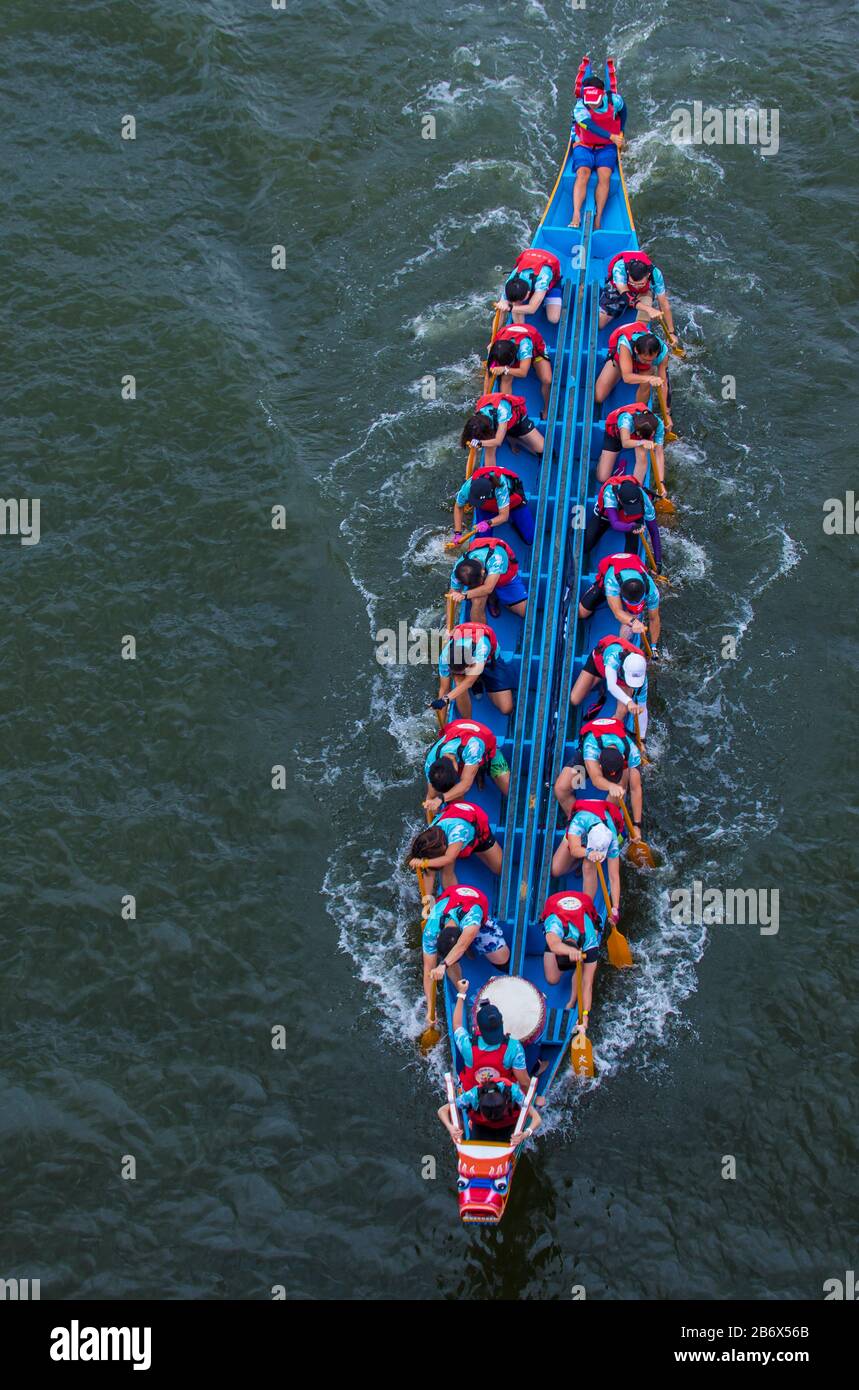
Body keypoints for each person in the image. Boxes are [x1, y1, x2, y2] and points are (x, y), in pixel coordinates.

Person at [437, 983, 541, 1143]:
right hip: (504, 1102)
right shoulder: (513, 1046)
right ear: (501, 1025)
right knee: (534, 1052)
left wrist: (461, 994)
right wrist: (528, 1102)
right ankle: (541, 1067)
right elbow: (525, 1082)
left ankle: (470, 1122)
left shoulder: (467, 1044)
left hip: (477, 1104)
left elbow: (457, 1025)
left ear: (478, 1027)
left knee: (460, 1067)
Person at [421, 886, 510, 1024]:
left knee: (503, 960)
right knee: (450, 960)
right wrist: (430, 1008)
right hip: (452, 916)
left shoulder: (472, 919)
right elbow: (428, 968)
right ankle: (461, 991)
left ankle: (466, 952)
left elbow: (461, 945)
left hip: (473, 909)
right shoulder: (430, 931)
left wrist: (443, 965)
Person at [554, 716, 644, 842]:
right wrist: (611, 786)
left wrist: (637, 825)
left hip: (618, 760)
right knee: (561, 788)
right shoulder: (591, 746)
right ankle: (579, 822)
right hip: (591, 755)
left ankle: (609, 827)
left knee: (619, 791)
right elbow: (596, 779)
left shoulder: (632, 751)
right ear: (600, 765)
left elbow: (635, 789)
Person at [569, 69, 627, 230]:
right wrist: (612, 136)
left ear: (602, 95)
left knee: (605, 176)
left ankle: (598, 217)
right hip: (584, 144)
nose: (592, 104)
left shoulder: (614, 100)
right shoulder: (581, 106)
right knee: (583, 173)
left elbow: (623, 111)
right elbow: (589, 125)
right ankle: (575, 213)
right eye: (589, 100)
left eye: (594, 100)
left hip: (606, 147)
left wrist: (620, 131)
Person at [408, 799, 502, 890]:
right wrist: (428, 899)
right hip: (452, 837)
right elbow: (429, 871)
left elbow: (449, 858)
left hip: (478, 836)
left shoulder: (458, 832)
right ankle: (453, 896)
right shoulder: (432, 833)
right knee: (446, 869)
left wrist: (424, 863)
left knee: (499, 869)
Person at [423, 716, 510, 813]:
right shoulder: (430, 763)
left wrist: (441, 799)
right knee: (452, 797)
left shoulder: (473, 747)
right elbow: (430, 796)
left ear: (457, 770)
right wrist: (434, 812)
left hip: (484, 748)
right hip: (461, 748)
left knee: (509, 790)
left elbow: (465, 784)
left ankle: (480, 769)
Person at [578, 551, 661, 652]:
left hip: (630, 581)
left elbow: (654, 619)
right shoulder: (612, 580)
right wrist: (634, 622)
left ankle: (623, 649)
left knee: (629, 626)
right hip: (611, 580)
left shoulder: (652, 591)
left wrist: (653, 647)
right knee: (582, 613)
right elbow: (617, 612)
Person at [570, 635, 650, 740]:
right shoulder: (613, 656)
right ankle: (598, 681)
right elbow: (612, 686)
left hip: (620, 680)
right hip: (600, 666)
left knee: (622, 712)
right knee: (574, 699)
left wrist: (642, 739)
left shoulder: (642, 680)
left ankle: (606, 738)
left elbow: (643, 709)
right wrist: (629, 701)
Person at [435, 620, 517, 719]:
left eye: (461, 672)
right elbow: (444, 689)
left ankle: (478, 679)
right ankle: (468, 722)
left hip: (489, 662)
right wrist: (441, 723)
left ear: (469, 664)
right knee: (459, 682)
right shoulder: (444, 657)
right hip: (469, 663)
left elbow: (469, 682)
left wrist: (445, 700)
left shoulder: (482, 646)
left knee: (506, 709)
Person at [541, 890, 602, 1021]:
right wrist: (569, 951)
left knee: (586, 973)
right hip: (557, 905)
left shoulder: (590, 941)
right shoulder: (554, 924)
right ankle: (575, 959)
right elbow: (554, 944)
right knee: (552, 979)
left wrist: (585, 1015)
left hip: (583, 915)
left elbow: (587, 984)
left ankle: (573, 997)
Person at [598, 250, 678, 346]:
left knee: (645, 307)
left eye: (640, 283)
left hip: (643, 293)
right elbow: (626, 296)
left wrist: (671, 332)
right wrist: (650, 310)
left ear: (648, 275)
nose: (636, 287)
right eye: (633, 283)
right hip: (621, 290)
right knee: (600, 324)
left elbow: (664, 304)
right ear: (628, 272)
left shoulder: (656, 274)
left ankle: (637, 336)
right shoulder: (620, 267)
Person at [550, 813, 621, 922]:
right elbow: (574, 850)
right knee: (556, 870)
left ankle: (587, 908)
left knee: (588, 866)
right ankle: (579, 861)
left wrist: (615, 908)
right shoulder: (579, 821)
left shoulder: (612, 840)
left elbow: (614, 876)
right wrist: (588, 853)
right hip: (578, 838)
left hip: (592, 845)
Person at [583, 474, 663, 567]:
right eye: (630, 508)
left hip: (631, 521)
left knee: (631, 557)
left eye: (634, 507)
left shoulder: (646, 502)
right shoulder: (610, 493)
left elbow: (654, 532)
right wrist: (632, 527)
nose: (631, 510)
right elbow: (615, 524)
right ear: (619, 499)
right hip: (607, 516)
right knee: (586, 546)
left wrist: (658, 560)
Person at [595, 322, 669, 418]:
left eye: (651, 360)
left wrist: (666, 413)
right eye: (644, 359)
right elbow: (627, 377)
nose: (646, 362)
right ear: (636, 351)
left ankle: (640, 412)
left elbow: (664, 383)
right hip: (621, 360)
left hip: (644, 370)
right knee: (599, 397)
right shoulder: (625, 344)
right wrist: (650, 378)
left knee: (646, 383)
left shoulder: (663, 353)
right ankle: (627, 370)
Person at [447, 539, 527, 624]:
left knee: (524, 611)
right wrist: (449, 627)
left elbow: (488, 588)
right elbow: (451, 595)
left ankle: (497, 596)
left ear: (483, 572)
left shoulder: (496, 558)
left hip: (504, 581)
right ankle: (483, 634)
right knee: (477, 601)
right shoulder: (458, 569)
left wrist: (464, 595)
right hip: (484, 581)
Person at [452, 464, 535, 546]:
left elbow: (504, 516)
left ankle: (514, 522)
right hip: (487, 507)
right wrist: (458, 533)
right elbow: (458, 507)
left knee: (530, 539)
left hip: (512, 503)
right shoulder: (467, 488)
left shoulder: (500, 486)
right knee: (482, 543)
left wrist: (488, 523)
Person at [460, 393, 544, 465]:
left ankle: (513, 437)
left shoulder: (502, 411)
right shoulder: (478, 416)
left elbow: (498, 441)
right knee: (490, 449)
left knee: (541, 449)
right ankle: (491, 476)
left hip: (517, 423)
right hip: (496, 425)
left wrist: (480, 443)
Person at [487, 323, 552, 411]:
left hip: (535, 351)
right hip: (508, 350)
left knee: (547, 380)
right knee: (506, 378)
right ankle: (507, 411)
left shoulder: (525, 346)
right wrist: (485, 397)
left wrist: (505, 369)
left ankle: (547, 409)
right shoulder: (496, 349)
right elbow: (489, 374)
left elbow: (523, 372)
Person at [598, 403, 665, 485]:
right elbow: (625, 443)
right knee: (602, 477)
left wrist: (661, 482)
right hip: (616, 435)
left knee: (643, 457)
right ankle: (603, 457)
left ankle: (636, 486)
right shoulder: (626, 419)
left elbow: (659, 453)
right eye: (639, 435)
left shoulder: (659, 425)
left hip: (641, 436)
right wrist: (642, 442)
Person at [496, 247, 563, 327]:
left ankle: (543, 298)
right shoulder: (511, 281)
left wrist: (510, 308)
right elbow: (500, 312)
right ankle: (521, 329)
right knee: (516, 305)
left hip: (550, 281)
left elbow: (532, 309)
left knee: (553, 319)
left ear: (528, 293)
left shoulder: (542, 279)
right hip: (531, 268)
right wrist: (502, 306)